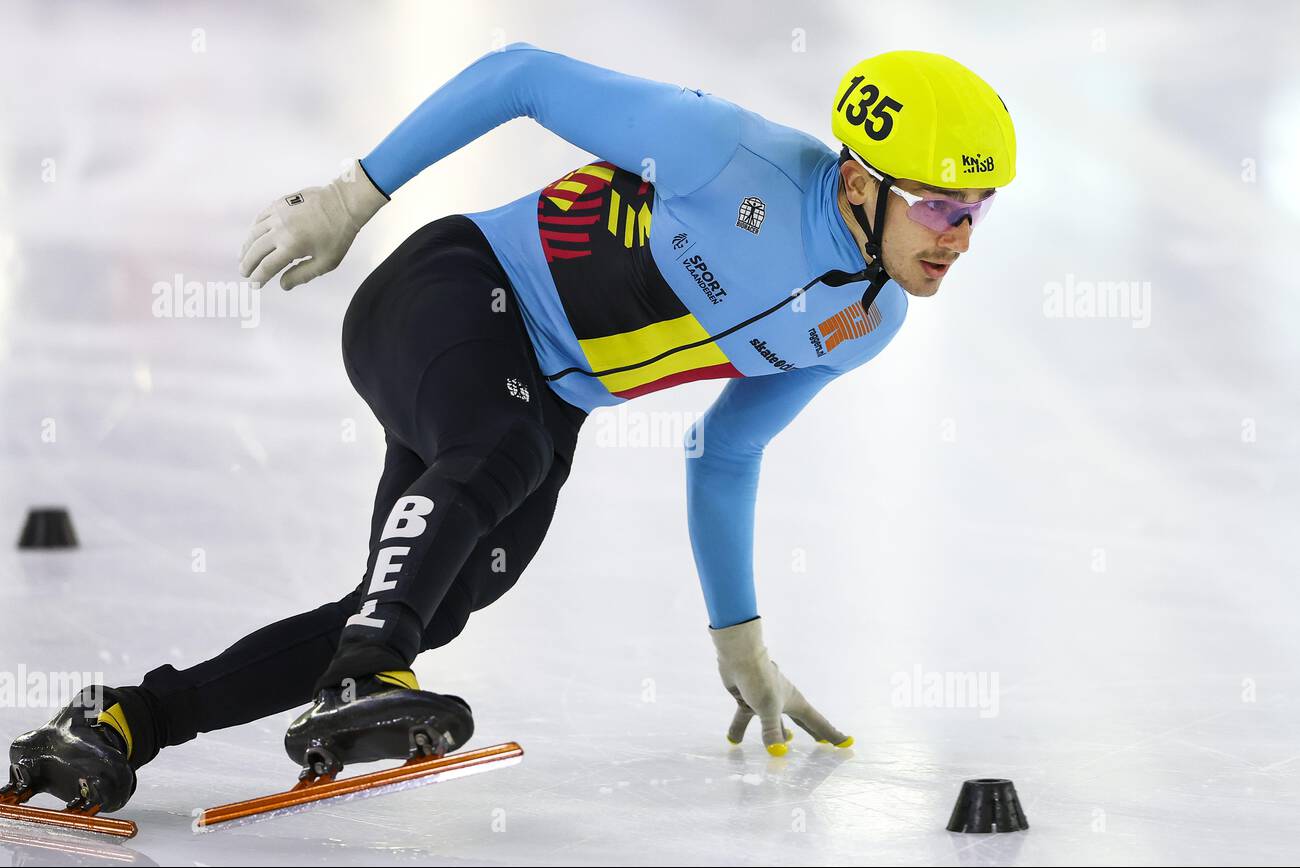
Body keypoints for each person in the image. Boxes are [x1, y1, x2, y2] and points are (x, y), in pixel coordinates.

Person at [6, 44, 1016, 812]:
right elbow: (521, 74)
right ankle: (368, 665)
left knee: (427, 604)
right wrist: (353, 197)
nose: (959, 236)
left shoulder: (868, 322)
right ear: (857, 180)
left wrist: (740, 638)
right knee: (498, 459)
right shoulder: (730, 156)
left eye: (977, 210)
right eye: (938, 207)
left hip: (541, 397)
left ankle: (124, 717)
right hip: (451, 295)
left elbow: (726, 450)